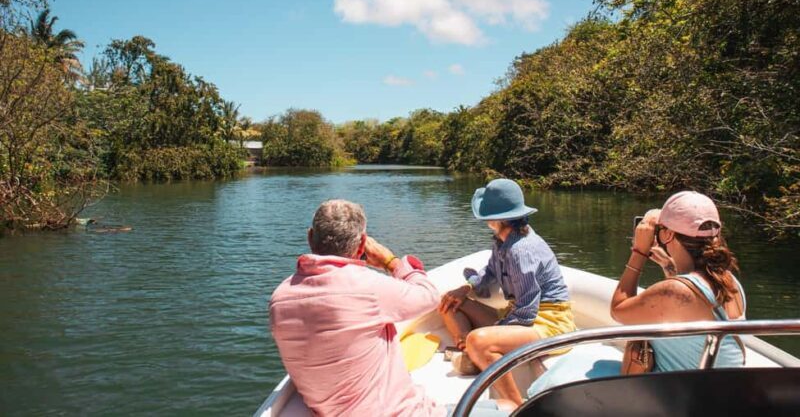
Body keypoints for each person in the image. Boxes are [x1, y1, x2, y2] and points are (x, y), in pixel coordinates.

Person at [270, 199, 510, 417]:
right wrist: (391, 262)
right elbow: (428, 296)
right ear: (363, 244)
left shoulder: (280, 298)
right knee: (509, 408)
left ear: (310, 237)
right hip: (400, 413)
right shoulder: (368, 287)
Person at [527, 190, 746, 397]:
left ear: (667, 234)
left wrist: (639, 252)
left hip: (674, 397)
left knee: (566, 370)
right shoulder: (729, 281)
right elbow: (690, 305)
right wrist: (669, 267)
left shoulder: (675, 291)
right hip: (715, 394)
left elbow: (618, 311)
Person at [438, 179, 576, 407]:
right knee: (450, 303)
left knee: (478, 341)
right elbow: (491, 271)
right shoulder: (502, 242)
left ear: (496, 220)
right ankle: (470, 351)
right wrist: (466, 288)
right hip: (517, 315)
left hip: (549, 323)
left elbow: (526, 312)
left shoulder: (520, 250)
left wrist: (490, 333)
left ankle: (513, 402)